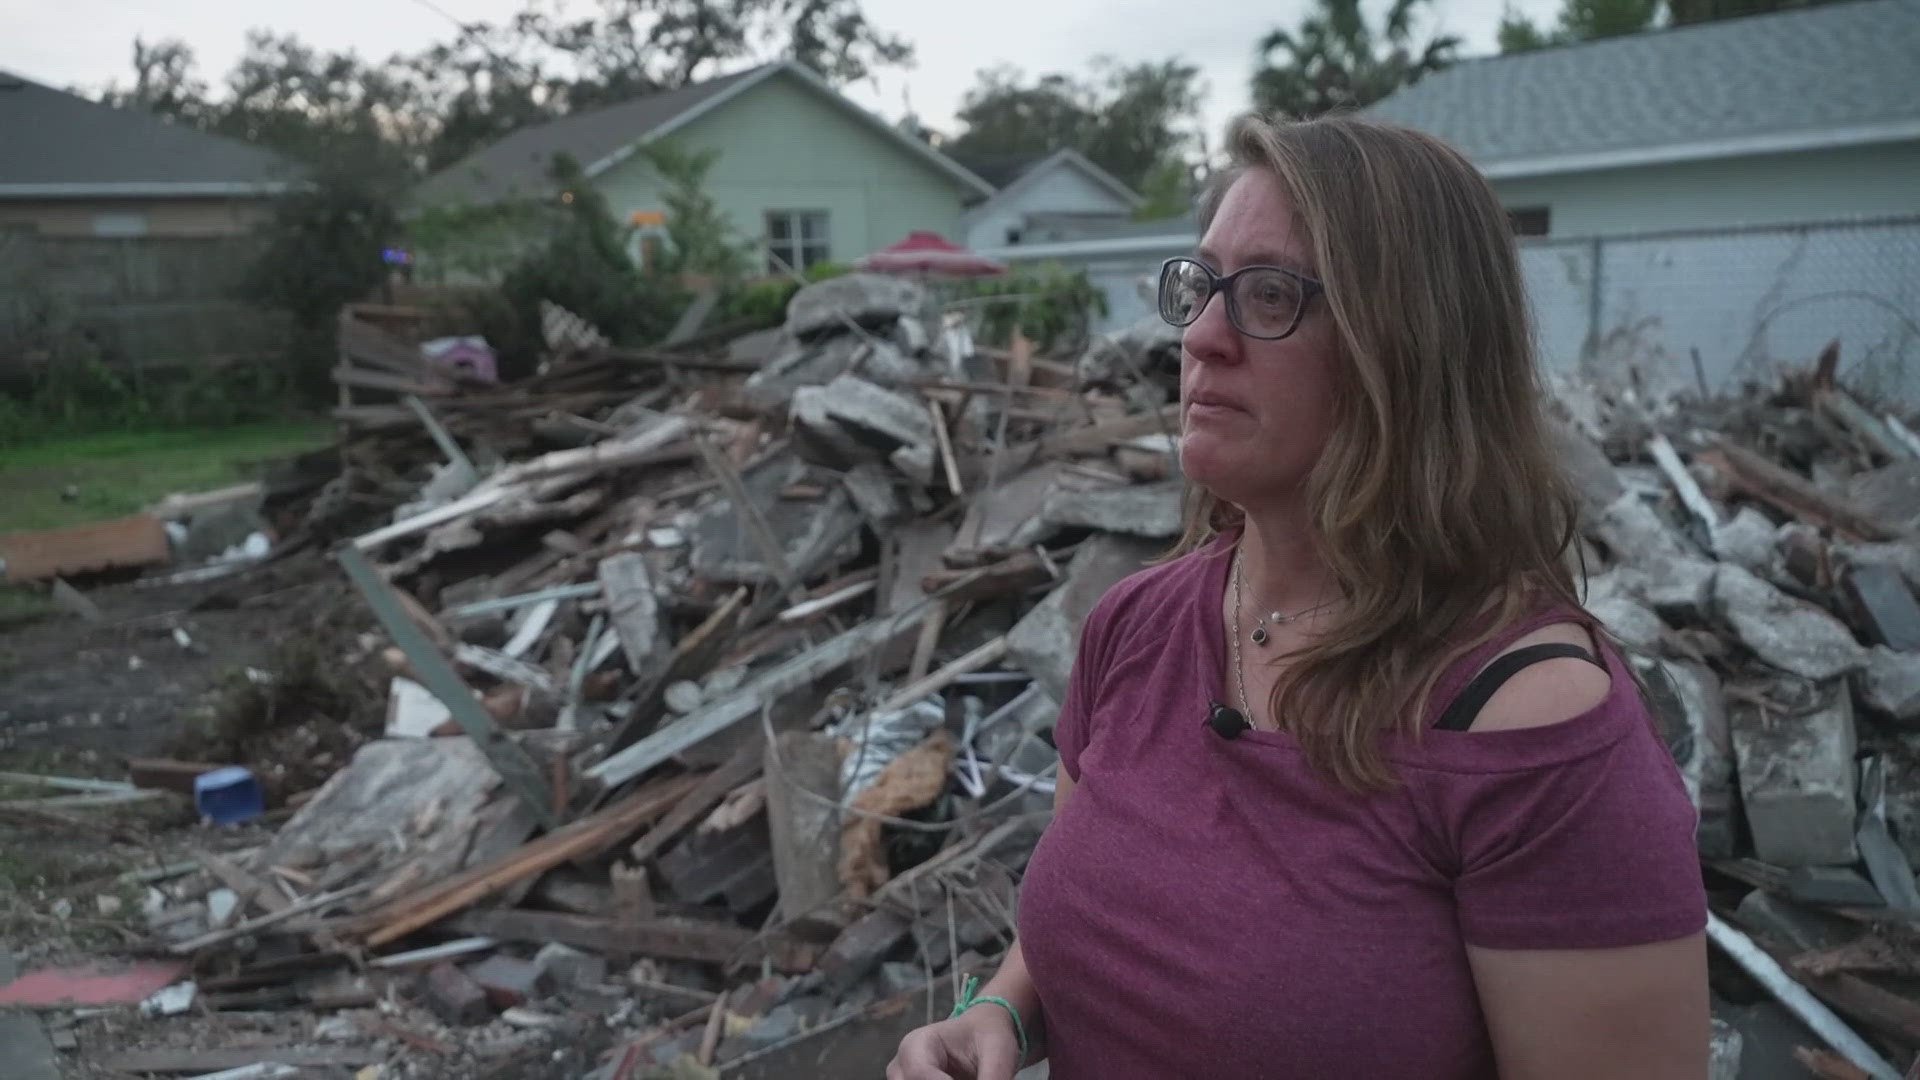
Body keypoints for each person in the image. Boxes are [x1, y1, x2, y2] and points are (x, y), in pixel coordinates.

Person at [886, 113, 1709, 1080]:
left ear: (1409, 347)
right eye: (1200, 286)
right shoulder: (1139, 627)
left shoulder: (1527, 730)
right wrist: (1002, 1013)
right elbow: (1098, 907)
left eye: (1270, 295)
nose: (1201, 336)